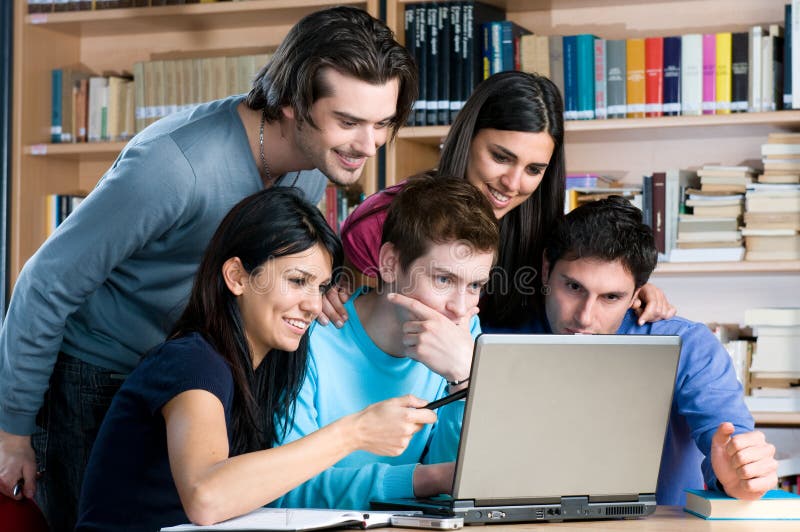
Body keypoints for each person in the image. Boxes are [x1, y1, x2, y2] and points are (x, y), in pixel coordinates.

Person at [0, 6, 416, 531]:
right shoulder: (172, 168)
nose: (368, 145)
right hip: (97, 376)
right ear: (290, 103)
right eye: (349, 121)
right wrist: (12, 431)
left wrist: (325, 284)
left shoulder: (313, 166)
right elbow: (45, 284)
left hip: (199, 375)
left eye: (383, 123)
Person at [75, 188, 436, 532]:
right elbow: (206, 496)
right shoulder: (192, 362)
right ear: (236, 277)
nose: (313, 305)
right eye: (297, 281)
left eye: (322, 286)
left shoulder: (269, 367)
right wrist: (354, 433)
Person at [323, 71, 674, 332]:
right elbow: (361, 330)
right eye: (501, 157)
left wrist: (631, 290)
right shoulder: (381, 224)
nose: (513, 184)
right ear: (467, 139)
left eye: (534, 169)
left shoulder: (538, 231)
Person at [528, 196, 778, 506]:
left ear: (636, 293)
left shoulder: (688, 347)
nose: (585, 317)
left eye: (610, 297)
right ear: (546, 268)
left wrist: (738, 477)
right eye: (574, 287)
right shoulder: (496, 336)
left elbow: (727, 441)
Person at [272, 175, 499, 509]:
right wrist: (422, 480)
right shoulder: (311, 336)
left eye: (475, 285)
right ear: (390, 263)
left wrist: (464, 383)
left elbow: (455, 495)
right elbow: (284, 490)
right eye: (443, 279)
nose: (460, 307)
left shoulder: (464, 338)